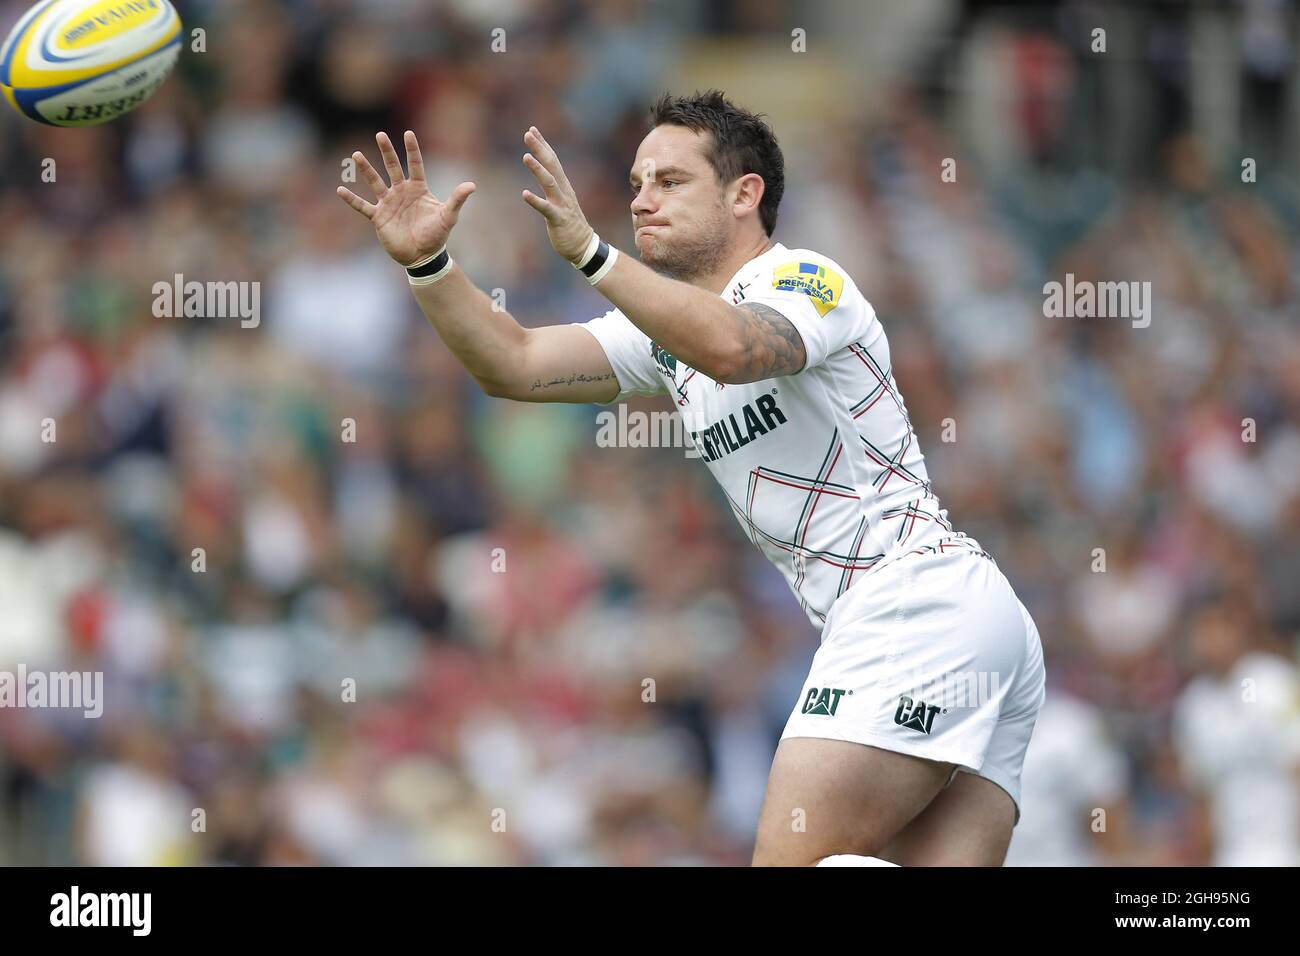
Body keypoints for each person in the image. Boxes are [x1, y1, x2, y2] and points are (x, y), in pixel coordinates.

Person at [337, 89, 1046, 866]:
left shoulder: (806, 279)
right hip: (960, 627)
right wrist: (430, 265)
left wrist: (591, 256)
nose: (642, 200)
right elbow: (515, 362)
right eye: (637, 183)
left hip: (915, 604)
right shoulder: (666, 329)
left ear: (746, 195)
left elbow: (736, 349)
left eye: (671, 182)